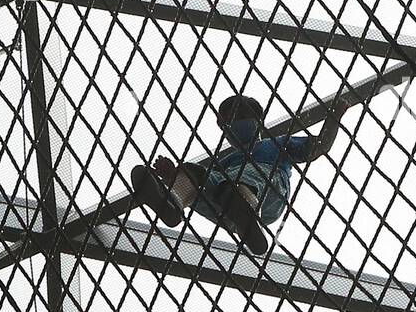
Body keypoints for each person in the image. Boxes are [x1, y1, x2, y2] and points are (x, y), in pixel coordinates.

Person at [131, 94, 344, 254]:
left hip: (267, 193)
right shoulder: (223, 164)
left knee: (245, 175)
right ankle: (172, 204)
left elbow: (318, 147)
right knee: (196, 174)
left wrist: (334, 118)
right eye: (227, 122)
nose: (233, 124)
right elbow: (205, 181)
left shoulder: (275, 144)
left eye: (240, 116)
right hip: (226, 206)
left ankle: (246, 211)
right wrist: (174, 175)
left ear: (258, 121)